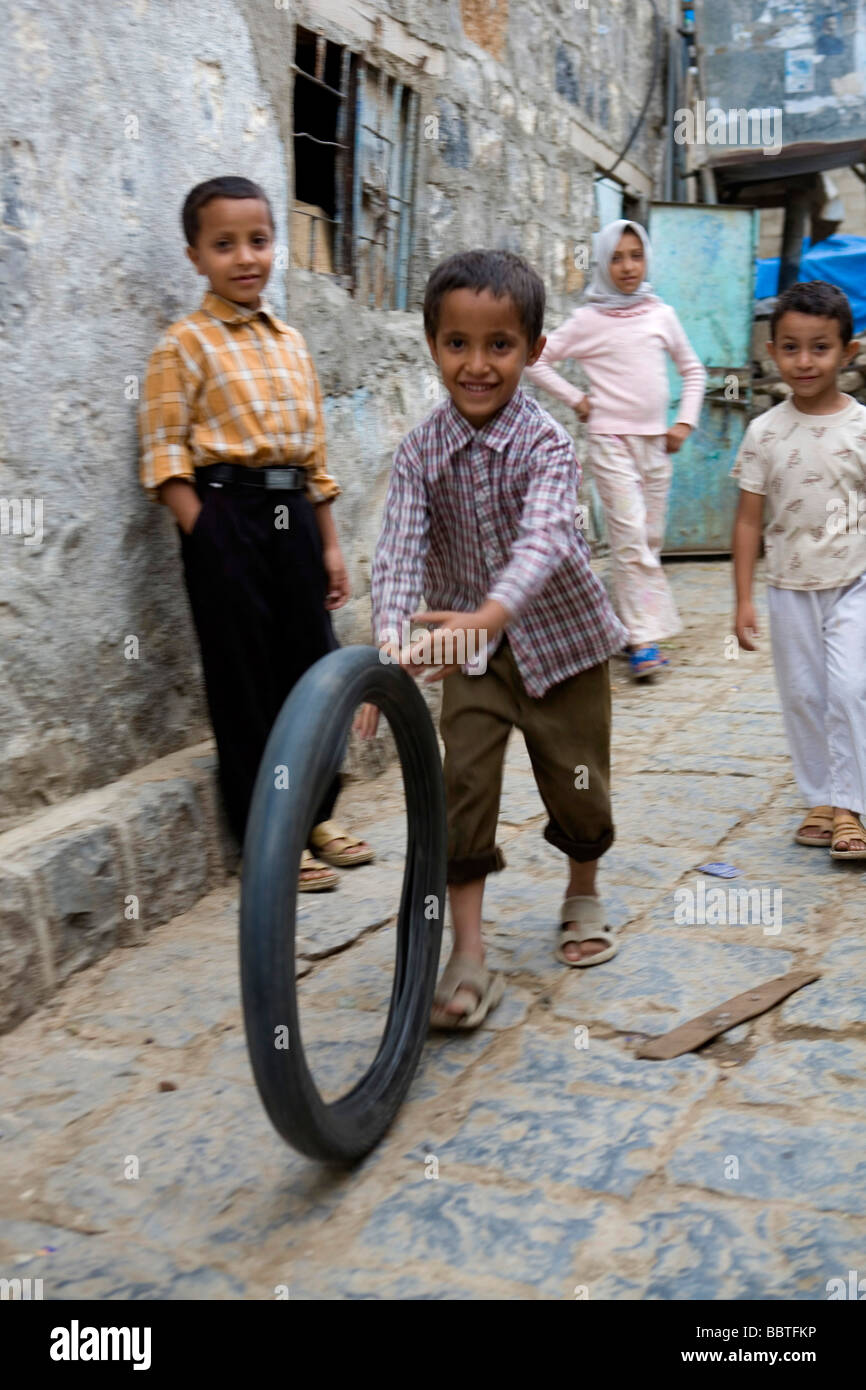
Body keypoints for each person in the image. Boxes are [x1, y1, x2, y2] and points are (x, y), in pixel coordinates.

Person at [358, 249, 628, 1029]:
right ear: (433, 344)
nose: (476, 365)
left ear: (534, 352)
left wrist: (492, 612)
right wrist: (388, 656)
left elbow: (545, 539)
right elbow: (400, 551)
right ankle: (468, 951)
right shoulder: (418, 453)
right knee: (463, 789)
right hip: (469, 653)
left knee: (579, 784)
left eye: (499, 345)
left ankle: (582, 889)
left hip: (564, 644)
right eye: (456, 344)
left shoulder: (547, 445)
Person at [139, 175, 373, 889]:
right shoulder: (183, 346)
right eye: (225, 244)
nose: (246, 257)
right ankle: (267, 837)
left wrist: (327, 542)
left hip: (291, 516)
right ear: (195, 255)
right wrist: (203, 530)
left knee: (313, 666)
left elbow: (313, 456)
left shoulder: (292, 343)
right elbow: (164, 451)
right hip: (227, 518)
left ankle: (317, 812)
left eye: (259, 240)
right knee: (244, 681)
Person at [524, 219, 706, 679]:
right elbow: (536, 359)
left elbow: (694, 371)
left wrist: (684, 421)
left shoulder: (660, 314)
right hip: (610, 442)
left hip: (656, 444)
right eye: (617, 257)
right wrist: (577, 400)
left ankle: (626, 625)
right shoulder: (588, 320)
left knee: (650, 540)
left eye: (636, 256)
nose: (627, 266)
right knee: (629, 541)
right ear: (603, 263)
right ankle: (644, 643)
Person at [732, 280, 866, 859]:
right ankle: (820, 796)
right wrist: (742, 600)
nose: (804, 361)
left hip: (857, 582)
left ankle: (851, 809)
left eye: (820, 347)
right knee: (805, 695)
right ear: (771, 350)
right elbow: (746, 523)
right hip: (790, 587)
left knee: (851, 689)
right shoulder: (764, 432)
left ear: (847, 352)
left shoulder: (862, 428)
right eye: (791, 347)